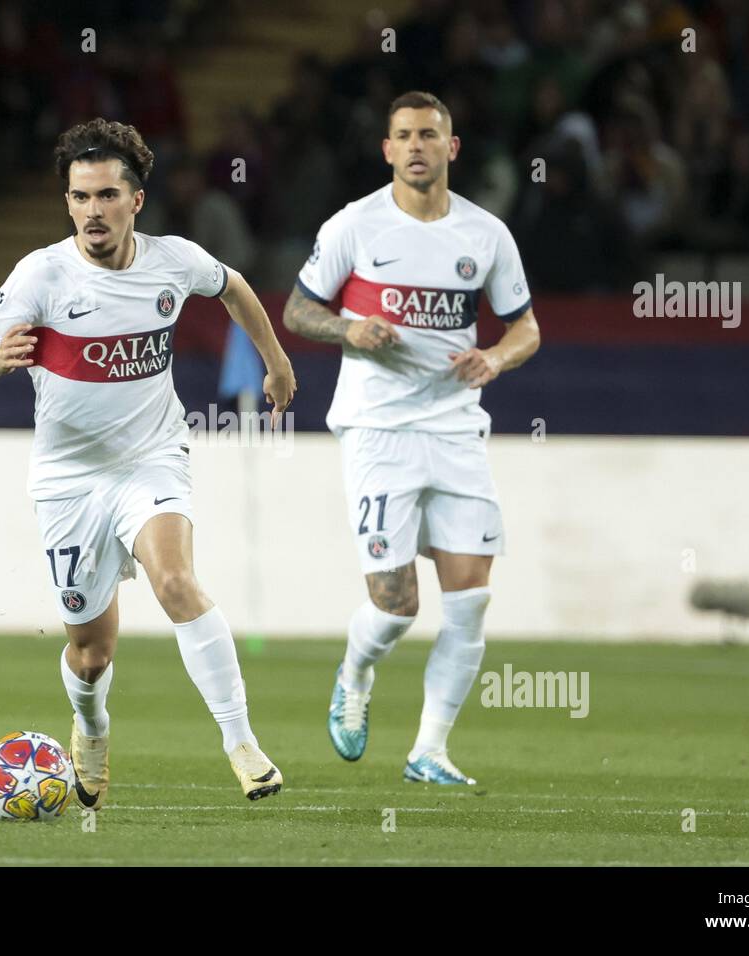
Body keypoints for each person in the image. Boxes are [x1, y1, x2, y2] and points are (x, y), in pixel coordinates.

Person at [0, 118, 297, 807]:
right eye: (79, 197)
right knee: (92, 650)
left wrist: (277, 359)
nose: (91, 211)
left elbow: (233, 286)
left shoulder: (172, 260)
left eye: (106, 195)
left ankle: (241, 742)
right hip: (68, 479)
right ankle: (92, 726)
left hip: (152, 457)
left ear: (136, 200)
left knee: (175, 581)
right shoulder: (40, 274)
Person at [283, 91, 541, 785]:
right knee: (397, 605)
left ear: (451, 148)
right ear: (388, 150)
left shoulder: (485, 234)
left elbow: (526, 327)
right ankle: (355, 672)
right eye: (404, 135)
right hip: (378, 430)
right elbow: (297, 308)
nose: (417, 145)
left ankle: (429, 749)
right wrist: (348, 329)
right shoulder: (356, 226)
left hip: (456, 428)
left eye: (430, 133)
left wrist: (494, 357)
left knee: (471, 598)